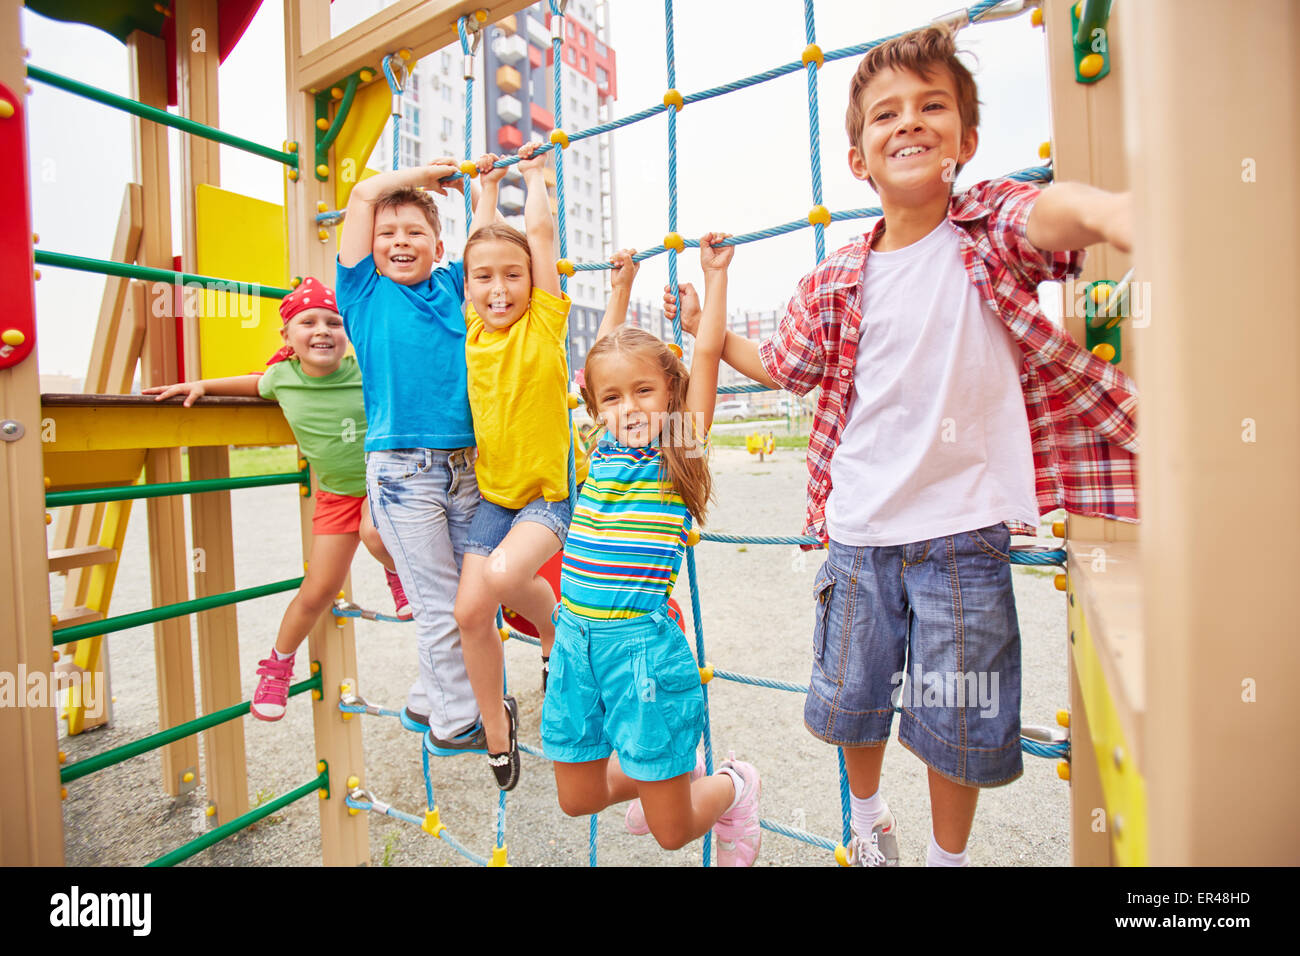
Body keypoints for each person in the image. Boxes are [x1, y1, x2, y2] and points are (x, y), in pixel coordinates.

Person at [666, 25, 1137, 866]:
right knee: (854, 701)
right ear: (859, 159)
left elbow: (1047, 212)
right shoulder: (841, 276)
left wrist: (1112, 213)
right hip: (858, 530)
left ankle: (945, 859)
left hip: (965, 534)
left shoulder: (984, 230)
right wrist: (706, 318)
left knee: (959, 724)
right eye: (886, 115)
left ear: (966, 140)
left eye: (932, 107)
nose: (910, 123)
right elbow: (782, 366)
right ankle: (868, 819)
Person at [542, 237, 763, 866]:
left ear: (669, 393)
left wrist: (714, 280)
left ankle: (734, 785)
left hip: (641, 648)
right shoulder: (598, 449)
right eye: (612, 398)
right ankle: (659, 771)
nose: (628, 407)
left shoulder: (677, 451)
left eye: (644, 391)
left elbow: (708, 351)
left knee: (671, 833)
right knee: (576, 796)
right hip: (575, 640)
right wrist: (618, 287)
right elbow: (596, 368)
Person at [142, 278, 412, 720]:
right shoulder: (281, 379)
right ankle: (278, 666)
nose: (323, 330)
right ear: (287, 337)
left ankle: (399, 573)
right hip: (334, 494)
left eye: (334, 322)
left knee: (376, 531)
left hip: (381, 482)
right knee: (318, 590)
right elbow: (250, 385)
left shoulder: (365, 368)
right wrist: (201, 386)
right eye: (308, 322)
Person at [336, 158, 492, 753]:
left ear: (438, 245)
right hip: (403, 470)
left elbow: (483, 244)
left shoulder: (454, 287)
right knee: (435, 603)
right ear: (370, 247)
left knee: (466, 599)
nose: (400, 242)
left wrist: (484, 189)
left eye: (414, 233)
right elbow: (360, 194)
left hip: (464, 466)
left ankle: (427, 699)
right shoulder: (362, 292)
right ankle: (454, 724)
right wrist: (422, 179)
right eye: (387, 234)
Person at [454, 142, 588, 790]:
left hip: (548, 493)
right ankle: (498, 731)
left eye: (513, 275)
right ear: (469, 284)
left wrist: (534, 177)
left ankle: (553, 622)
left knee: (505, 578)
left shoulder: (543, 320)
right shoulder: (471, 330)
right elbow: (480, 244)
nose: (499, 288)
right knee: (468, 613)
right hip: (493, 496)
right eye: (484, 278)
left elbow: (535, 233)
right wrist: (485, 187)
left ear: (531, 280)